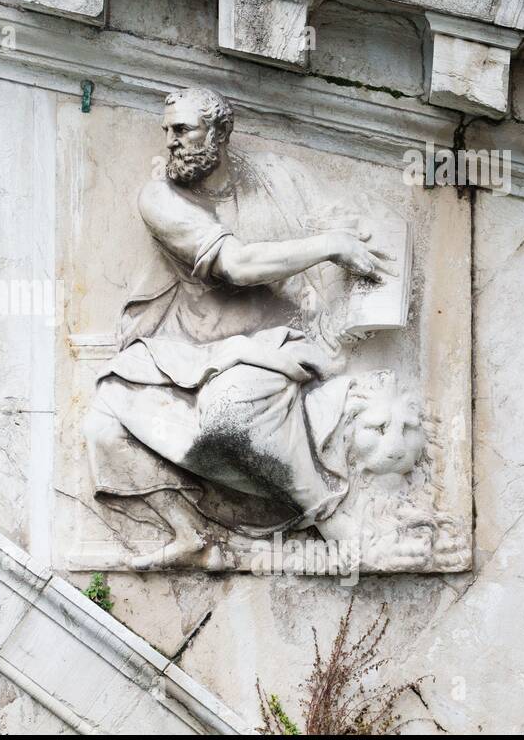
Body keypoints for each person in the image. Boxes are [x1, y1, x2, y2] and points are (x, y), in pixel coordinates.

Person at [82, 88, 395, 570]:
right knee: (102, 424)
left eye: (183, 129)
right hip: (191, 348)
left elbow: (333, 215)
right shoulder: (159, 198)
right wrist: (331, 244)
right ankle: (189, 533)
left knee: (230, 409)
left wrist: (355, 244)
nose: (171, 142)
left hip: (277, 337)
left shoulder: (273, 178)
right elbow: (238, 265)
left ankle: (327, 514)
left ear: (220, 133)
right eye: (167, 130)